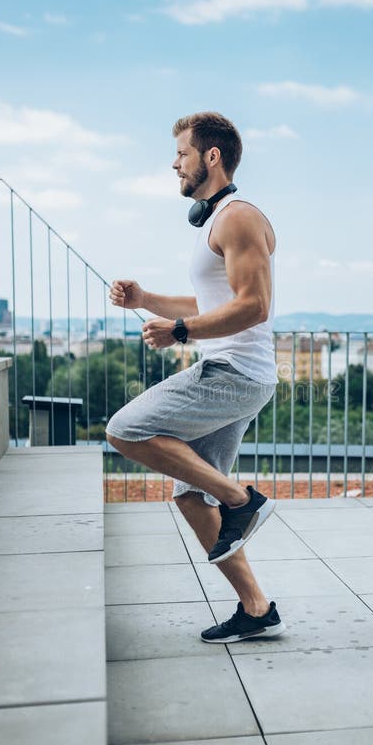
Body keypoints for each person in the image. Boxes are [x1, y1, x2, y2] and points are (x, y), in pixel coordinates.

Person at [106, 111, 285, 643]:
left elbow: (254, 306)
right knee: (190, 496)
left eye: (182, 153)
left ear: (212, 156)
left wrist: (181, 332)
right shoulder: (217, 221)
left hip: (234, 372)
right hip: (237, 373)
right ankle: (256, 609)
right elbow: (212, 302)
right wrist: (146, 300)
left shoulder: (237, 217)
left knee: (124, 430)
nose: (174, 164)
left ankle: (242, 501)